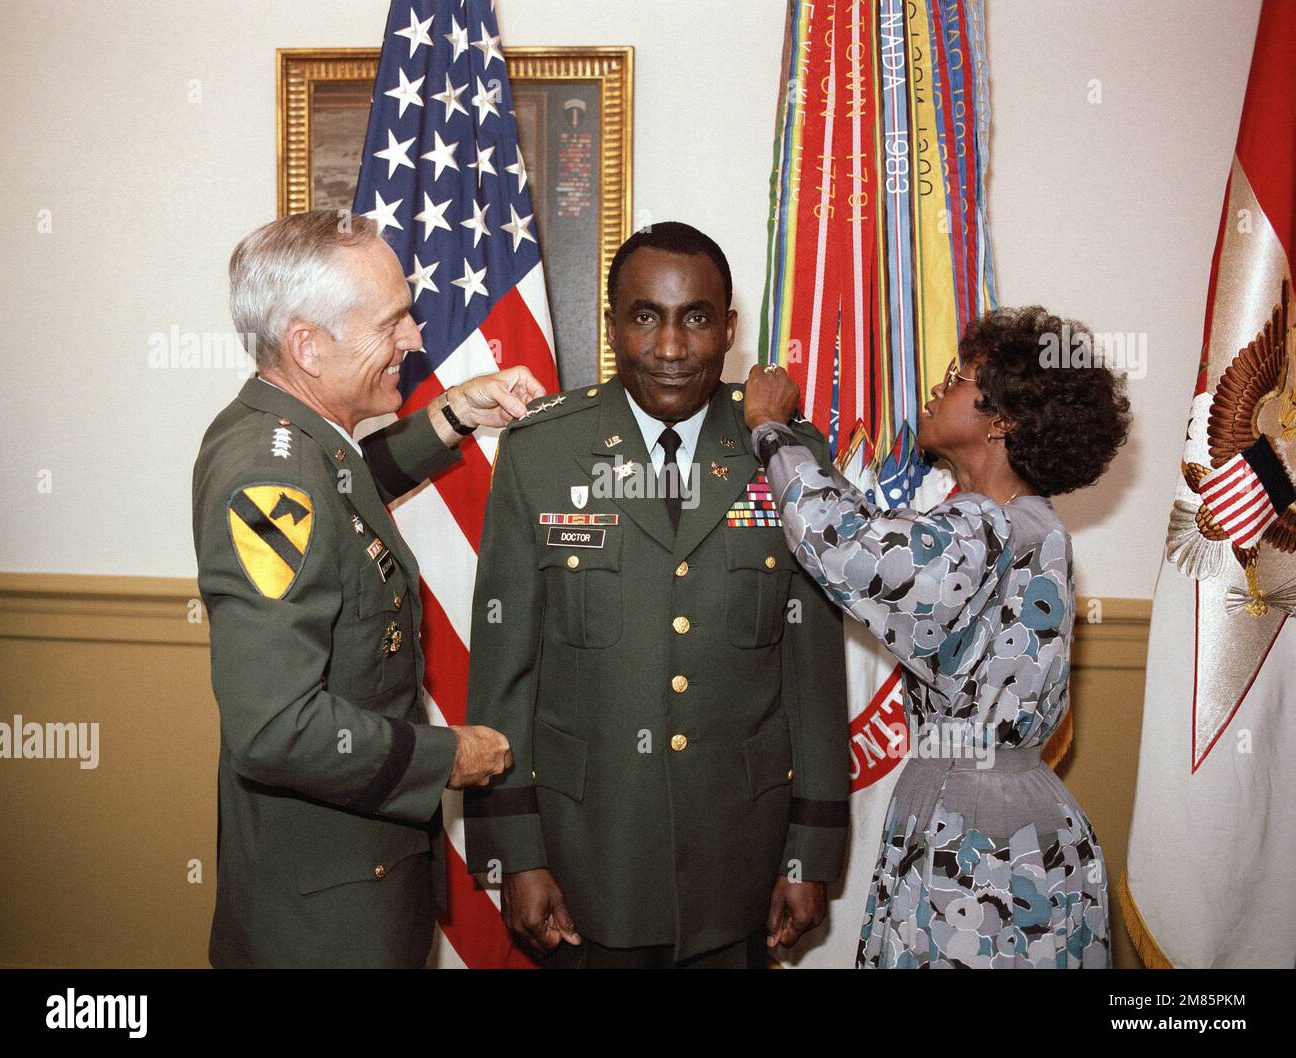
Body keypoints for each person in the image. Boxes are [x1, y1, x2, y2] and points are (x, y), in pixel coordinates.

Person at [463, 222, 849, 968]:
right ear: (612, 327)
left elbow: (813, 675)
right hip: (585, 860)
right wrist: (516, 853)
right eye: (646, 316)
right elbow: (504, 673)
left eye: (696, 318)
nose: (671, 347)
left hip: (739, 858)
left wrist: (811, 847)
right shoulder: (543, 450)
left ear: (728, 328)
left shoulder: (785, 453)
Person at [193, 210, 543, 967]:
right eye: (392, 323)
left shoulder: (292, 435)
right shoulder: (269, 474)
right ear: (307, 346)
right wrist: (442, 758)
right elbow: (274, 729)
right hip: (324, 925)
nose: (416, 338)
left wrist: (453, 415)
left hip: (352, 887)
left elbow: (345, 496)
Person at [743, 306, 1131, 968]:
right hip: (1013, 815)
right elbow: (884, 538)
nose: (938, 385)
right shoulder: (1024, 525)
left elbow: (848, 547)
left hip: (978, 831)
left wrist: (771, 429)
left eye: (960, 376)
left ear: (1002, 418)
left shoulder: (985, 532)